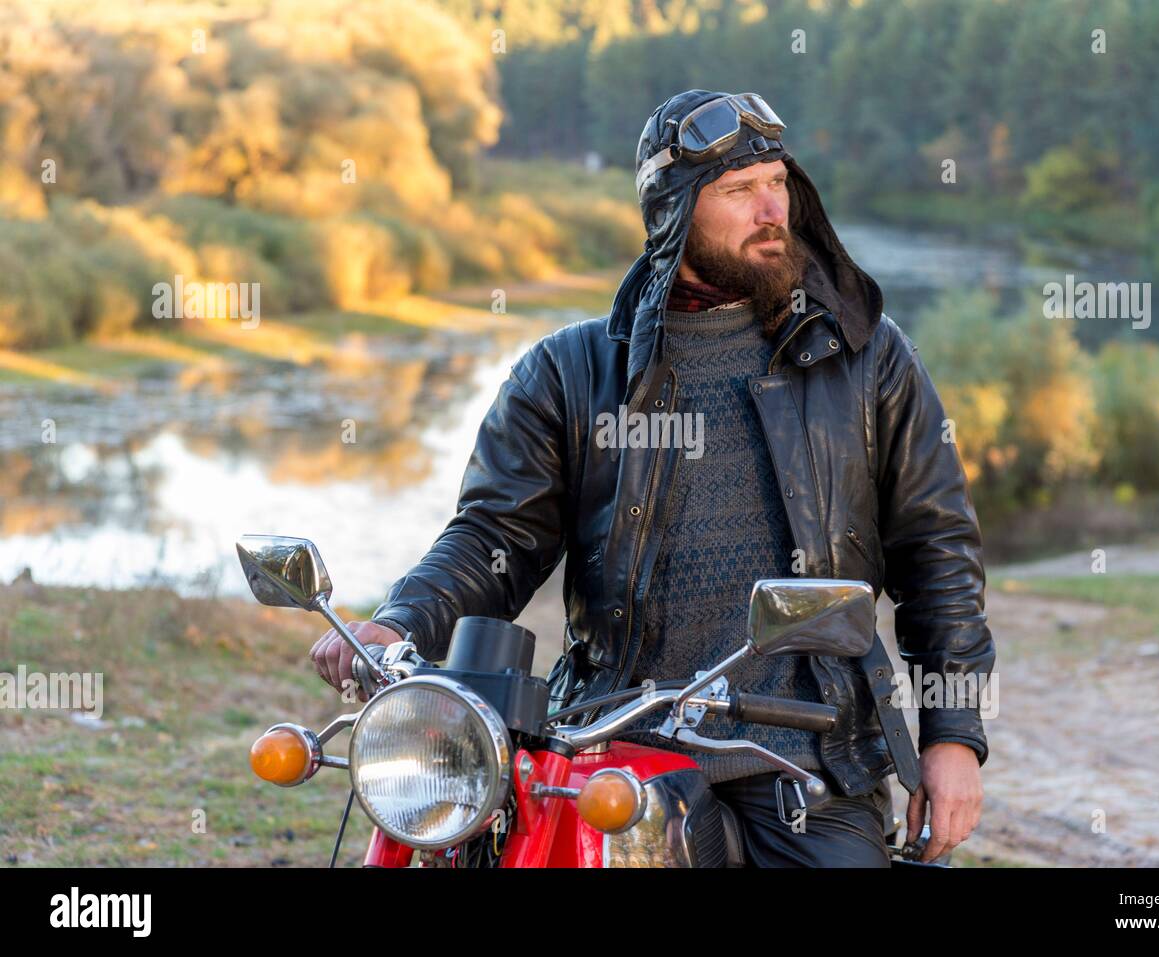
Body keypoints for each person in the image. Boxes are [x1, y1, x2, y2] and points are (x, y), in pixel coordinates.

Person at [310, 89, 995, 867]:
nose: (773, 208)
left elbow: (936, 553)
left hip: (813, 752)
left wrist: (954, 737)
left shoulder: (866, 356)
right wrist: (400, 620)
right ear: (672, 211)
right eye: (739, 192)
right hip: (622, 738)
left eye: (778, 182)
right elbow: (492, 535)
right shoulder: (570, 373)